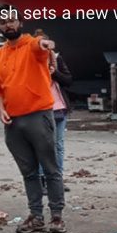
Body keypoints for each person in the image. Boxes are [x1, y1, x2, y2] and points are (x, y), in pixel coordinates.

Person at [0, 4, 66, 233]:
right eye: (3, 22)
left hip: (38, 116)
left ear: (20, 22)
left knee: (51, 168)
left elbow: (40, 45)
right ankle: (36, 215)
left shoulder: (31, 46)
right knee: (28, 172)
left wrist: (46, 44)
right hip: (13, 121)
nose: (8, 25)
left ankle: (56, 216)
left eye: (12, 20)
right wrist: (1, 109)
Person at [35, 33, 73, 194]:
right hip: (41, 109)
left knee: (58, 146)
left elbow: (68, 80)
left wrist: (54, 72)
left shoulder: (57, 59)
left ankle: (57, 179)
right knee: (43, 146)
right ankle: (43, 180)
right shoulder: (32, 62)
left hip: (59, 108)